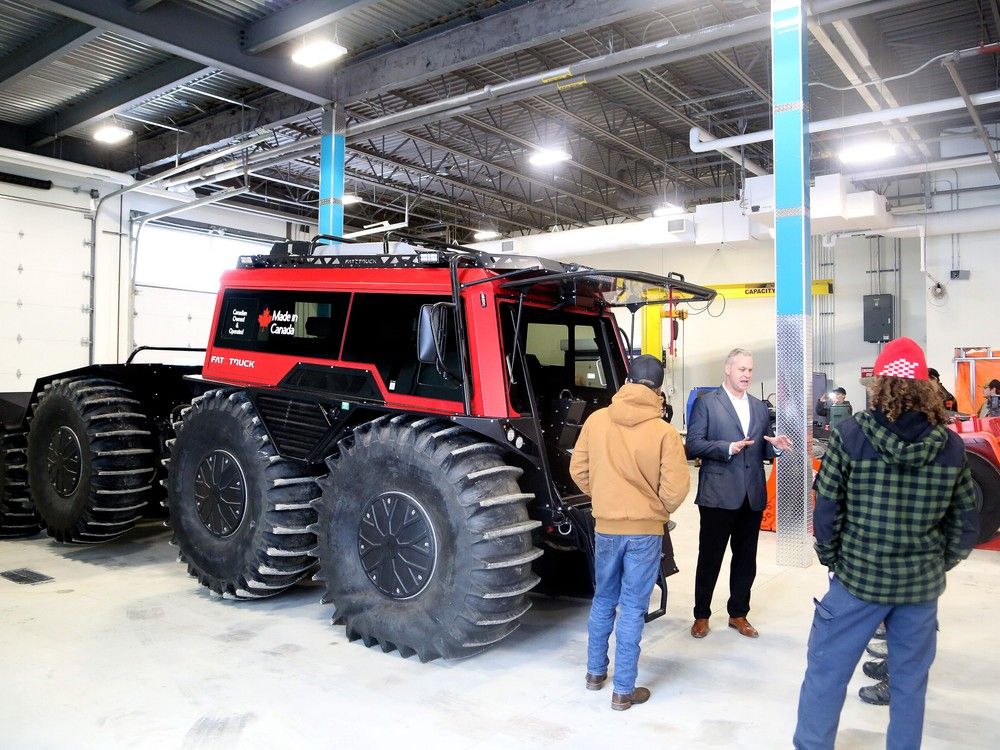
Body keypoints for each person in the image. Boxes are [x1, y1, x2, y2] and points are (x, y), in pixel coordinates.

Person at [793, 337, 979, 750]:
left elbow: (826, 509)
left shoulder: (850, 435)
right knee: (910, 687)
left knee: (826, 675)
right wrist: (937, 561)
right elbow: (966, 521)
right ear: (924, 387)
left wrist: (833, 560)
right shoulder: (950, 446)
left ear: (880, 384)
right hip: (920, 589)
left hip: (857, 581)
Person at [569, 354, 690, 711]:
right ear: (661, 388)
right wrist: (657, 511)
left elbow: (579, 469)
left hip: (605, 527)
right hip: (645, 532)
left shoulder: (596, 420)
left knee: (604, 598)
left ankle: (594, 674)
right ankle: (623, 690)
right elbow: (676, 488)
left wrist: (604, 496)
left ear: (626, 380)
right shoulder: (664, 432)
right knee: (634, 607)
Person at [685, 348, 792, 639]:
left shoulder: (758, 407)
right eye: (742, 369)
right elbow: (693, 445)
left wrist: (776, 447)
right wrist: (727, 448)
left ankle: (738, 614)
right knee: (710, 557)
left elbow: (762, 448)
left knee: (746, 559)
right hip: (718, 495)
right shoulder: (707, 404)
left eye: (750, 370)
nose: (747, 375)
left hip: (751, 495)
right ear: (728, 370)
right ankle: (702, 615)